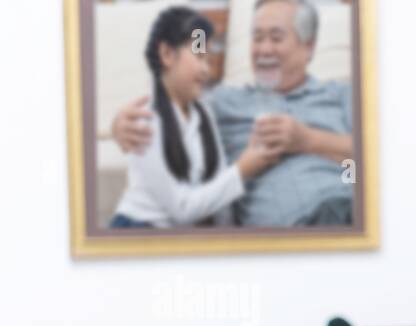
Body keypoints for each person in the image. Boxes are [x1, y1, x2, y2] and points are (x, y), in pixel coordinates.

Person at [111, 0, 354, 226]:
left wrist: (308, 140)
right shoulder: (223, 103)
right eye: (257, 38)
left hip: (347, 213)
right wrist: (119, 125)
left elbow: (376, 157)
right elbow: (170, 107)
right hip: (285, 234)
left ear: (308, 47)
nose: (264, 49)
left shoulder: (340, 95)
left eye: (276, 38)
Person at [110, 6, 280, 229]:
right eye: (199, 56)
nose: (206, 70)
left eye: (208, 60)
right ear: (167, 55)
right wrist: (242, 170)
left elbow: (219, 191)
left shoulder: (204, 114)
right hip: (139, 228)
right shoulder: (145, 121)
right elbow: (182, 209)